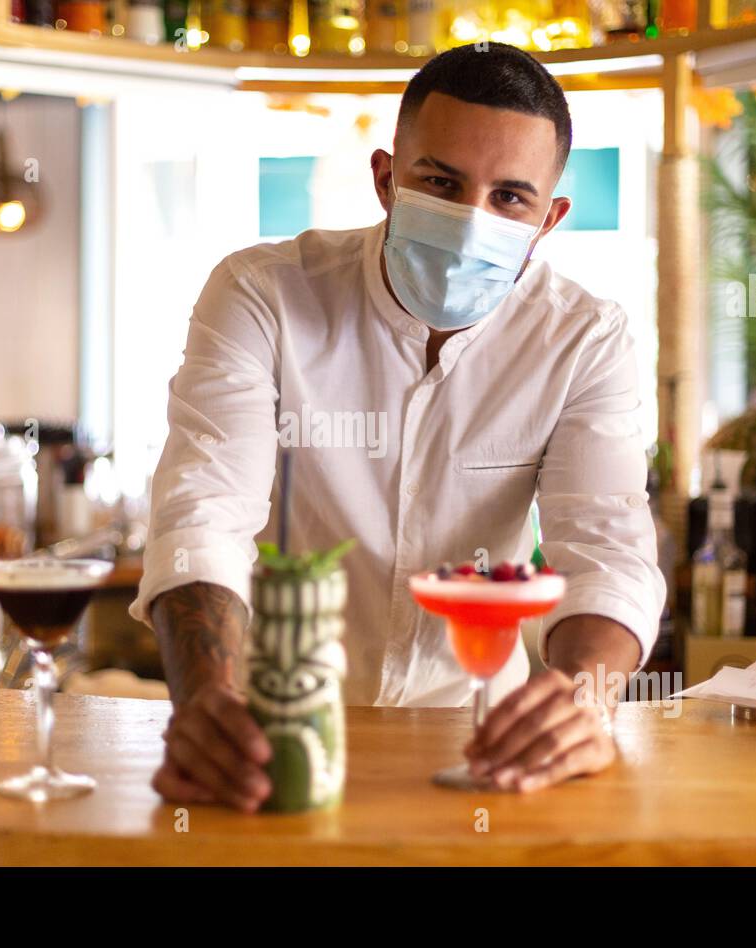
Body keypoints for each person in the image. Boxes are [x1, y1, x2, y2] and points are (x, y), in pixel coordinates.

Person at [130, 42, 666, 811]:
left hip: (481, 747)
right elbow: (202, 513)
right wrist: (205, 701)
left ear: (549, 219)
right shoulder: (263, 295)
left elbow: (608, 552)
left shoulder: (583, 338)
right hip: (272, 739)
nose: (470, 222)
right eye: (441, 183)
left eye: (510, 197)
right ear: (386, 179)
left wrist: (584, 700)